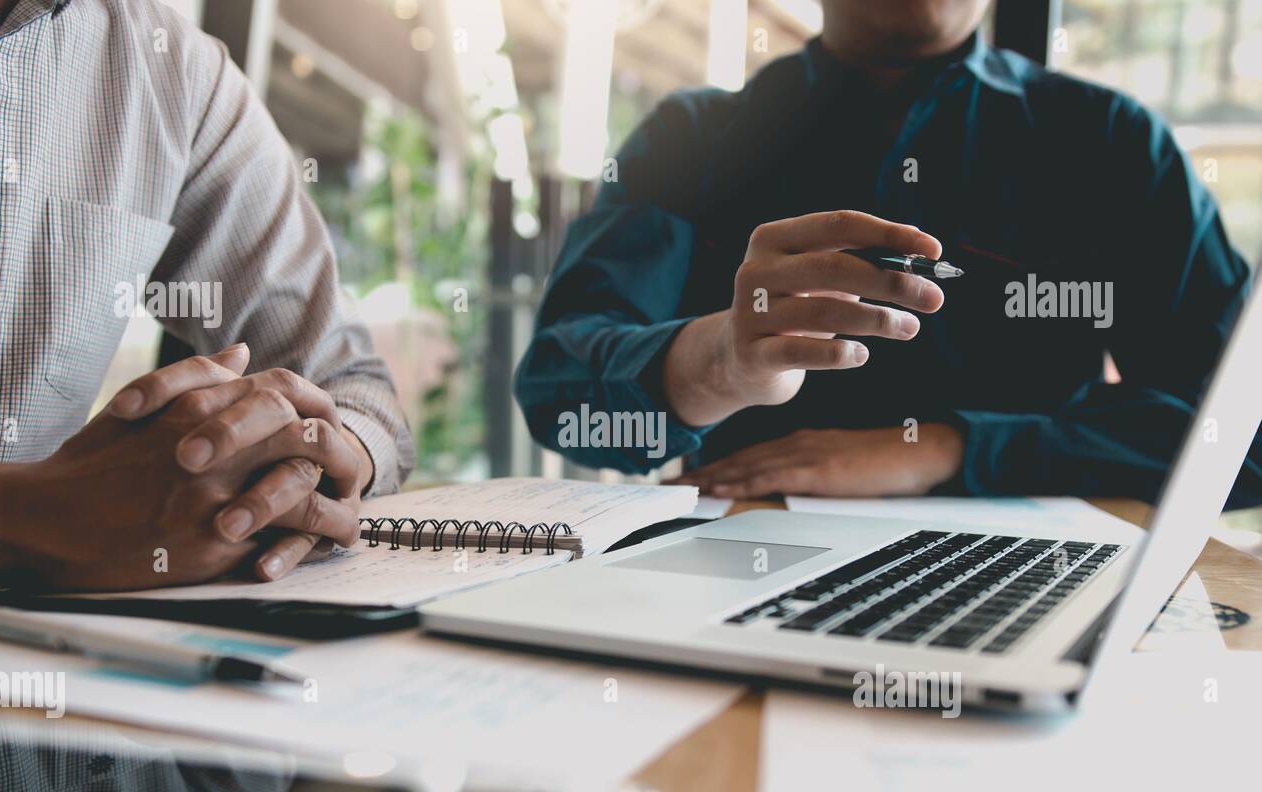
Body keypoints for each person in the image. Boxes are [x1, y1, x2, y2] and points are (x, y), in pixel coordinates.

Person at [515, 0, 1260, 505]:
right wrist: (721, 361)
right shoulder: (690, 140)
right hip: (739, 562)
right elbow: (557, 388)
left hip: (1035, 563)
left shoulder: (1114, 147)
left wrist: (953, 448)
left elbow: (1244, 431)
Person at [0, 0, 414, 591]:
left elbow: (350, 381)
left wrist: (296, 470)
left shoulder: (178, 76)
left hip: (35, 652)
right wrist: (0, 516)